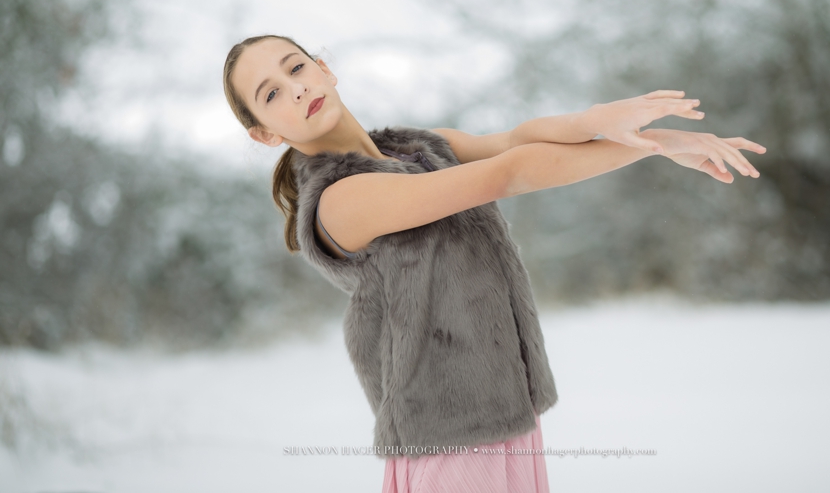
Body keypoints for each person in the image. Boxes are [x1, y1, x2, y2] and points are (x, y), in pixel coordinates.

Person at [222, 34, 766, 492]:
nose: (295, 87)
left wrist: (606, 122)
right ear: (265, 133)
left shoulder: (412, 146)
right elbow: (508, 171)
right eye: (272, 94)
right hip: (446, 433)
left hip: (505, 409)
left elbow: (513, 139)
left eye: (296, 67)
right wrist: (653, 146)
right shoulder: (342, 198)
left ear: (324, 68)